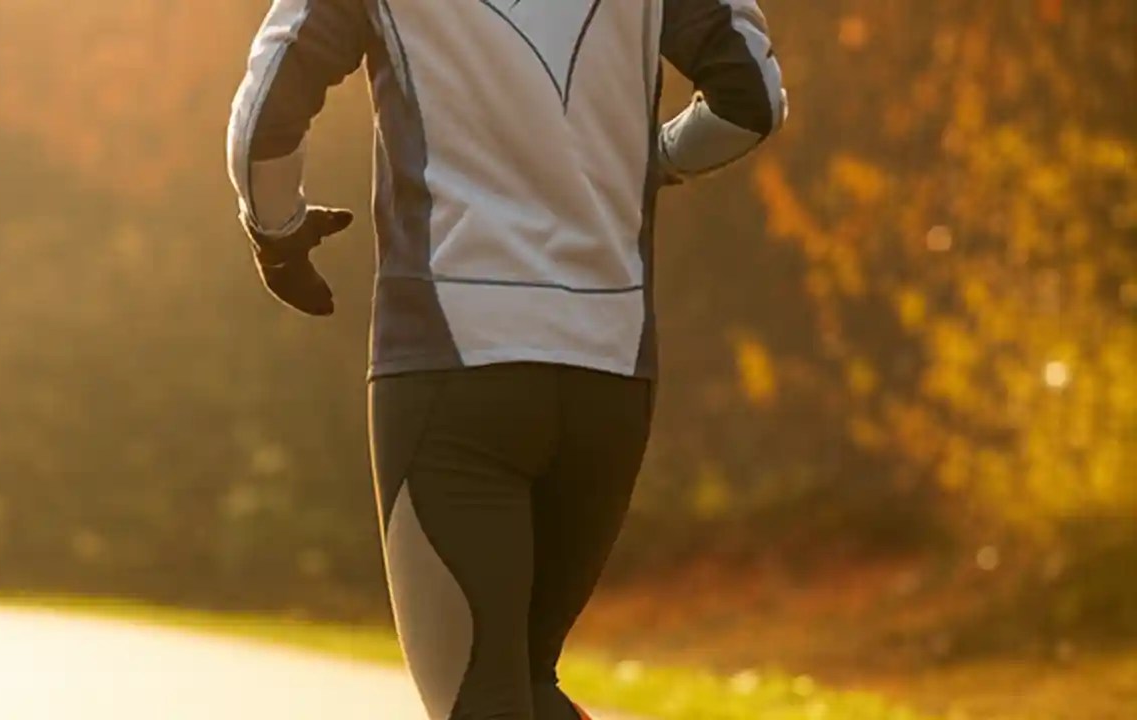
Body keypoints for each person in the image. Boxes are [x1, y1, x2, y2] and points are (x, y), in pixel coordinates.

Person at [226, 0, 787, 717]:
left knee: (483, 702)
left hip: (454, 360)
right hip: (609, 366)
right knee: (525, 685)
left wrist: (276, 232)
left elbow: (265, 123)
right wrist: (658, 158)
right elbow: (752, 101)